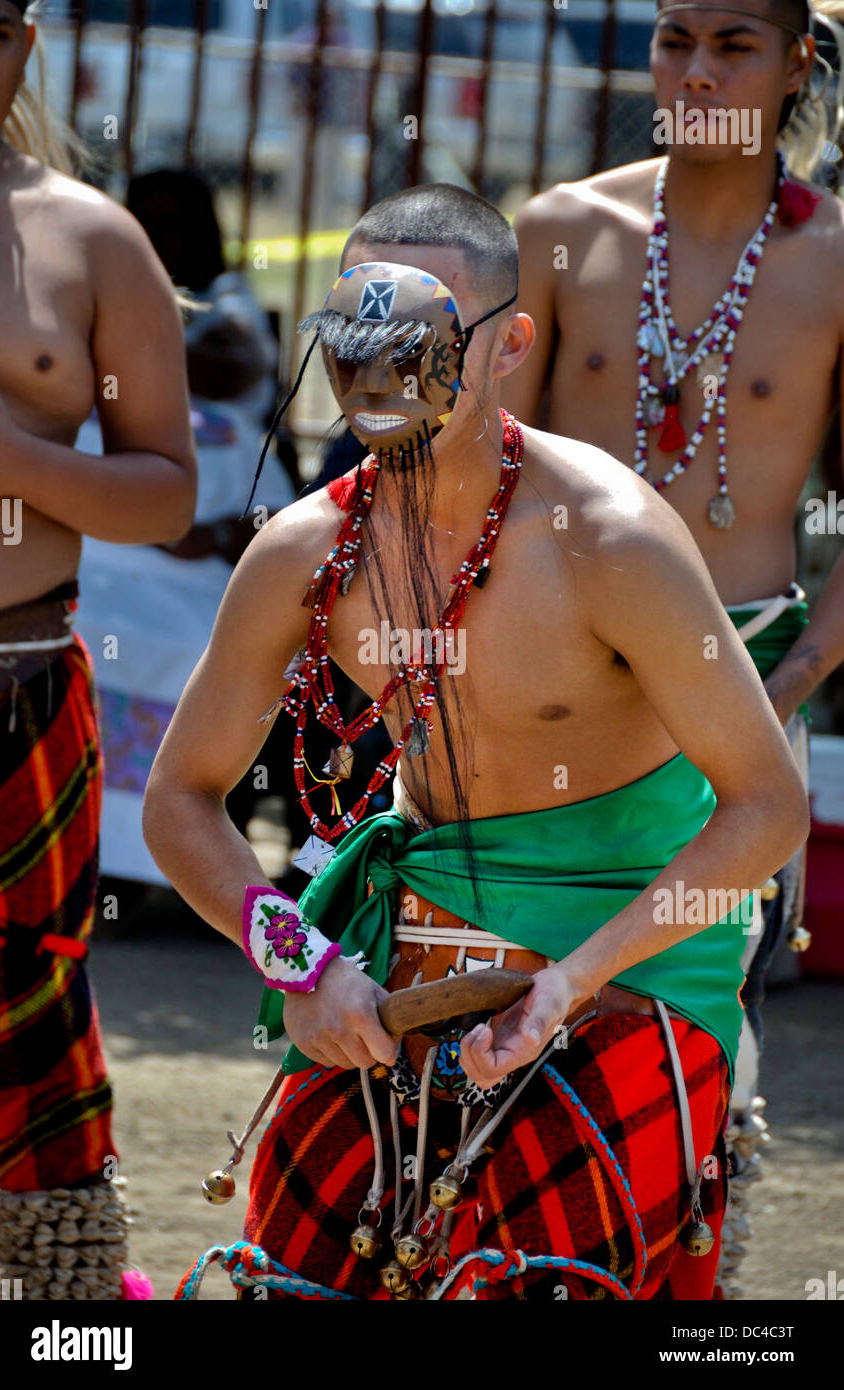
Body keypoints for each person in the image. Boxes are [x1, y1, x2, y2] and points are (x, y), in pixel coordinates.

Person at [144, 182, 807, 1302]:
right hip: (412, 948)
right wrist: (298, 961)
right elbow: (180, 798)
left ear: (510, 347)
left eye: (421, 331)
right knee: (295, 1271)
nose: (382, 359)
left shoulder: (608, 535)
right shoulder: (303, 552)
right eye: (358, 327)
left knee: (529, 1274)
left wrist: (571, 982)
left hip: (627, 958)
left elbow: (762, 806)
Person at [503, 0, 844, 1295]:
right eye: (671, 39)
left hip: (737, 711)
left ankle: (669, 1284)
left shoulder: (827, 259)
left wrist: (791, 678)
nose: (694, 72)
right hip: (547, 701)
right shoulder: (559, 229)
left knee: (693, 1040)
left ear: (795, 60)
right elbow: (479, 473)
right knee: (509, 1001)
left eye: (732, 44)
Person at [0, 0, 196, 1298]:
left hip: (16, 693)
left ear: (29, 46)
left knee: (36, 1033)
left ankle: (66, 1322)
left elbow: (164, 493)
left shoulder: (91, 240)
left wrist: (9, 461)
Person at [75, 169, 295, 893]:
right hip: (110, 550)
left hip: (205, 557)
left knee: (208, 649)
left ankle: (175, 859)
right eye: (148, 220)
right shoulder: (93, 305)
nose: (163, 237)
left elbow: (228, 373)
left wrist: (127, 326)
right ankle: (98, 856)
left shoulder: (230, 312)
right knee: (88, 633)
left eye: (177, 221)